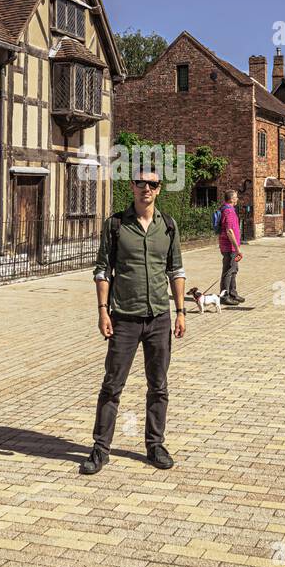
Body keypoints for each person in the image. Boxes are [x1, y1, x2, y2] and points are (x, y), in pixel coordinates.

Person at [83, 166, 186, 475]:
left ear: (159, 189)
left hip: (159, 318)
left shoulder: (167, 226)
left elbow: (176, 271)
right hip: (124, 318)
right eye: (141, 183)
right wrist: (102, 310)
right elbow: (103, 270)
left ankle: (155, 444)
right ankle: (100, 449)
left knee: (159, 385)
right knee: (112, 385)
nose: (147, 189)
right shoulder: (115, 225)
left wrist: (181, 312)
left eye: (153, 184)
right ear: (132, 186)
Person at [217, 190, 244, 306]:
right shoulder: (228, 211)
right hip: (229, 247)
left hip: (231, 247)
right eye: (236, 197)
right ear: (231, 199)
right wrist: (237, 248)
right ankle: (224, 296)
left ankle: (233, 293)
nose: (237, 199)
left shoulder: (229, 209)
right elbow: (229, 231)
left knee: (233, 269)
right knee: (228, 271)